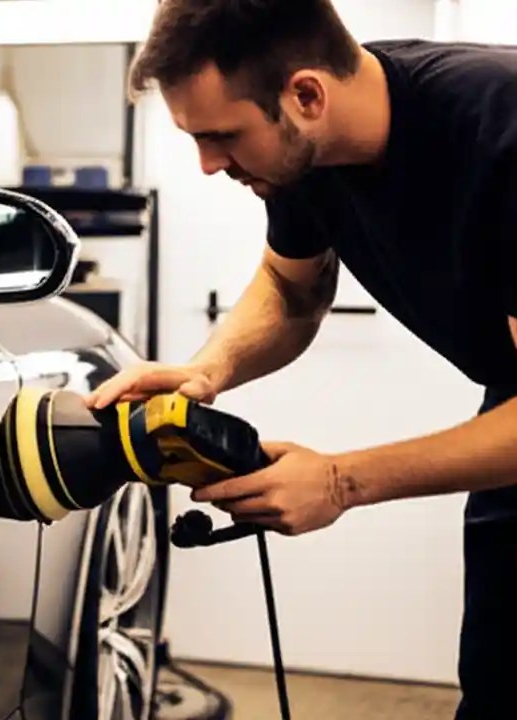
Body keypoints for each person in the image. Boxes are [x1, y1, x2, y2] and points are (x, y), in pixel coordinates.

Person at [84, 1, 517, 717]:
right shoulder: (310, 158)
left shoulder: (499, 130)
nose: (208, 165)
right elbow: (290, 287)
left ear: (307, 96)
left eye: (223, 136)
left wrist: (341, 482)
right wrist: (208, 371)